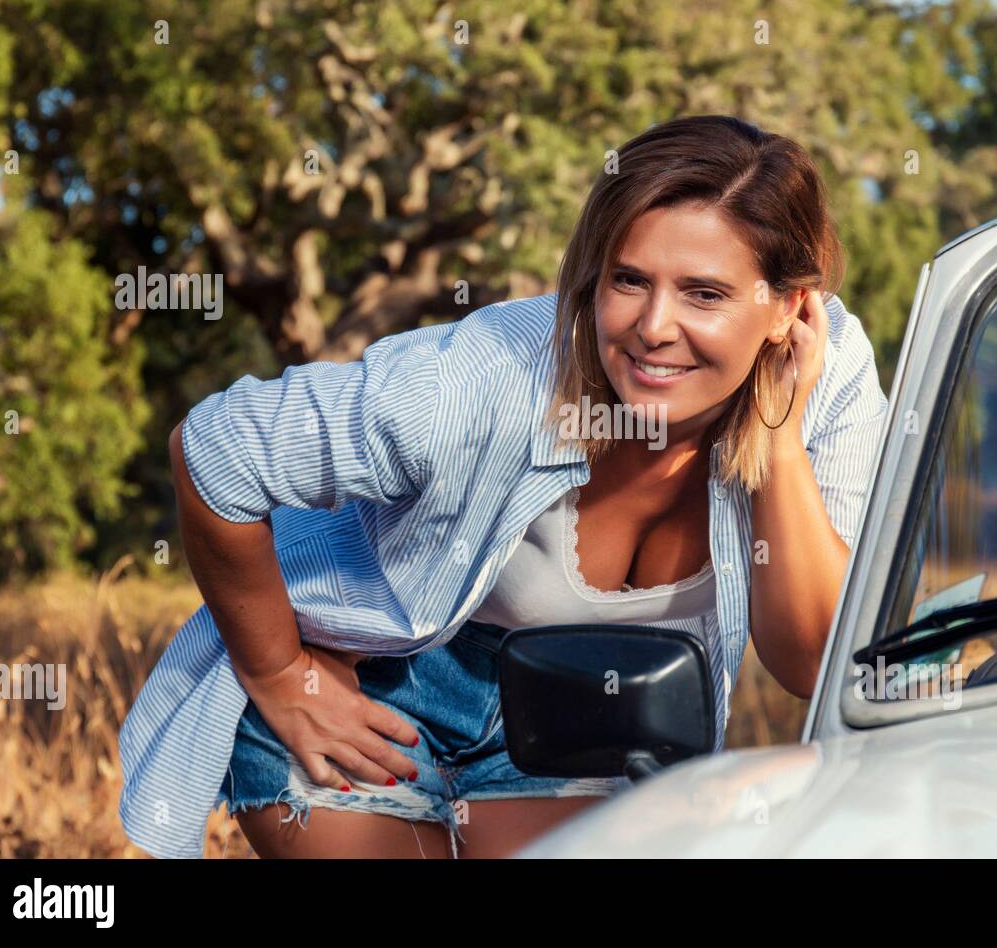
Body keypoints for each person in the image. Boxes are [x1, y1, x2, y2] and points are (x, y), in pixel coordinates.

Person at [118, 114, 888, 859]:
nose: (654, 326)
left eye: (705, 294)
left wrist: (779, 437)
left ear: (789, 308)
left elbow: (814, 659)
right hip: (372, 695)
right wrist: (279, 673)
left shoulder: (830, 377)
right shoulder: (481, 377)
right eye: (628, 280)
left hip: (584, 717)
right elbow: (216, 449)